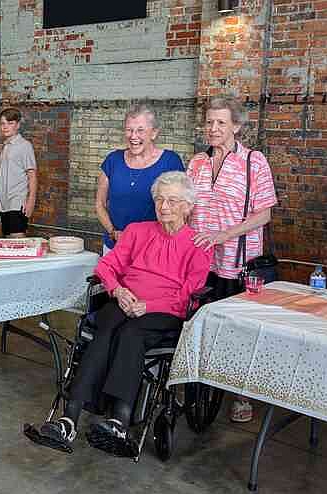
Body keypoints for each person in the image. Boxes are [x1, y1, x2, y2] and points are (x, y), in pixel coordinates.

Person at [39, 172, 211, 449]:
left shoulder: (198, 245)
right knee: (106, 329)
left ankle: (119, 420)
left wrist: (149, 305)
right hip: (124, 300)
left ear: (188, 206)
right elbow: (106, 267)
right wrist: (118, 291)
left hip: (163, 311)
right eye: (159, 199)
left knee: (131, 333)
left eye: (172, 201)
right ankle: (68, 420)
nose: (164, 206)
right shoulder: (136, 231)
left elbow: (188, 295)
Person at [187, 95, 277, 423]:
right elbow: (187, 208)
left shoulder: (253, 162)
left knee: (238, 330)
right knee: (202, 323)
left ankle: (241, 393)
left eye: (221, 122)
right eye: (209, 122)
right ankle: (202, 382)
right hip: (200, 261)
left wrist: (224, 236)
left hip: (237, 263)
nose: (213, 128)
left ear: (236, 126)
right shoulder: (196, 162)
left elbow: (264, 214)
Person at [94, 105, 185, 255]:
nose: (133, 136)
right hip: (115, 246)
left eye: (140, 130)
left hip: (154, 249)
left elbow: (181, 208)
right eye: (129, 130)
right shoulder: (113, 160)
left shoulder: (170, 161)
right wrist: (113, 232)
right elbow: (100, 204)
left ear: (154, 133)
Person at [0, 108, 37, 238]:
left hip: (17, 201)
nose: (5, 127)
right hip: (4, 203)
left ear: (18, 124)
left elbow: (32, 176)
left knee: (17, 240)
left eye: (10, 123)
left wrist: (31, 201)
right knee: (8, 242)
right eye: (3, 123)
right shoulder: (6, 146)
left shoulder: (24, 146)